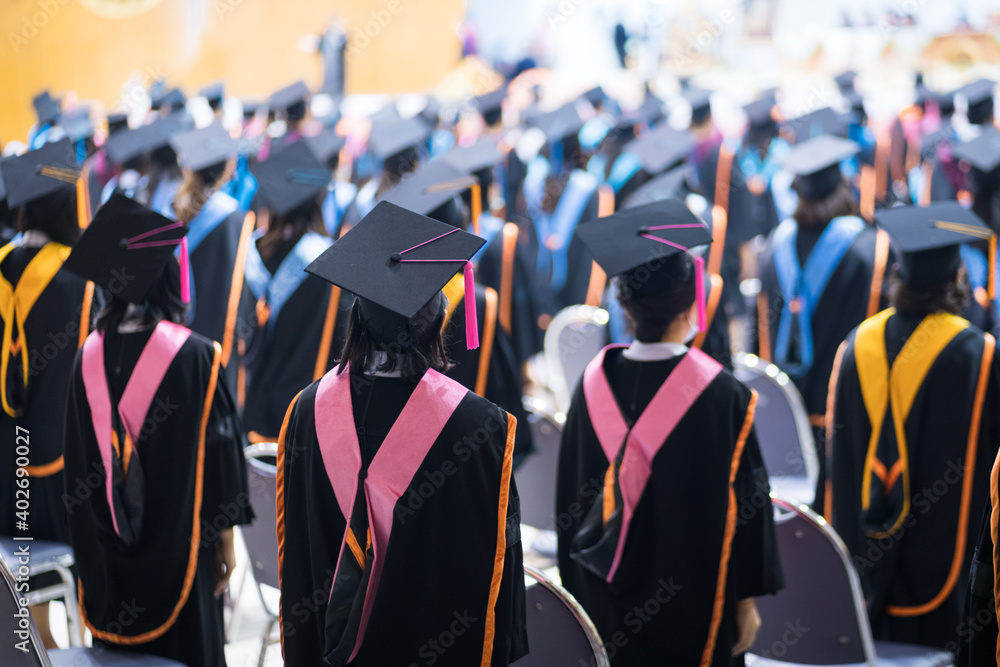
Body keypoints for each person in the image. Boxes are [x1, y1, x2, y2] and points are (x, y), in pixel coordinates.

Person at [278, 200, 528, 665]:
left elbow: (296, 562)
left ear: (357, 314)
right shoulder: (481, 427)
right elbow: (499, 581)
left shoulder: (306, 411)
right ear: (437, 321)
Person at [559, 198, 782, 666]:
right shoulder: (723, 395)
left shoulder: (591, 383)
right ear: (689, 298)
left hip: (606, 606)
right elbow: (747, 508)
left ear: (624, 303)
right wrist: (744, 601)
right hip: (696, 611)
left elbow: (571, 502)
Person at [61, 193, 251, 666]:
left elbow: (76, 468)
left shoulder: (86, 356)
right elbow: (222, 458)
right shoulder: (197, 357)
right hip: (182, 559)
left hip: (108, 567)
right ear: (169, 275)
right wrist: (224, 543)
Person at [830, 202, 1000, 650]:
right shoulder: (976, 355)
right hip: (943, 578)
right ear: (956, 278)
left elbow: (840, 459)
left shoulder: (854, 345)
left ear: (898, 274)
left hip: (860, 572)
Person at [753, 134, 891, 515]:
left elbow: (755, 332)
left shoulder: (771, 249)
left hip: (784, 415)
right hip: (845, 415)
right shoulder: (871, 251)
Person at [0, 141, 94, 649]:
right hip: (58, 467)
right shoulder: (82, 277)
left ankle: (34, 641)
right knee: (64, 569)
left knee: (17, 567)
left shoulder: (0, 264)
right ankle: (53, 646)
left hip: (3, 466)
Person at [382, 160, 533, 464]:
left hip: (388, 463)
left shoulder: (378, 301)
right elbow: (503, 404)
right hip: (459, 461)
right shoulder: (477, 304)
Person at [242, 141, 351, 441]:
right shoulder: (329, 264)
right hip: (303, 409)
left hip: (252, 404)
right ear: (318, 200)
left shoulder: (251, 252)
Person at [169, 123, 256, 391]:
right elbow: (254, 282)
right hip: (218, 344)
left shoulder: (174, 211)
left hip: (176, 341)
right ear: (229, 167)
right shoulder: (235, 221)